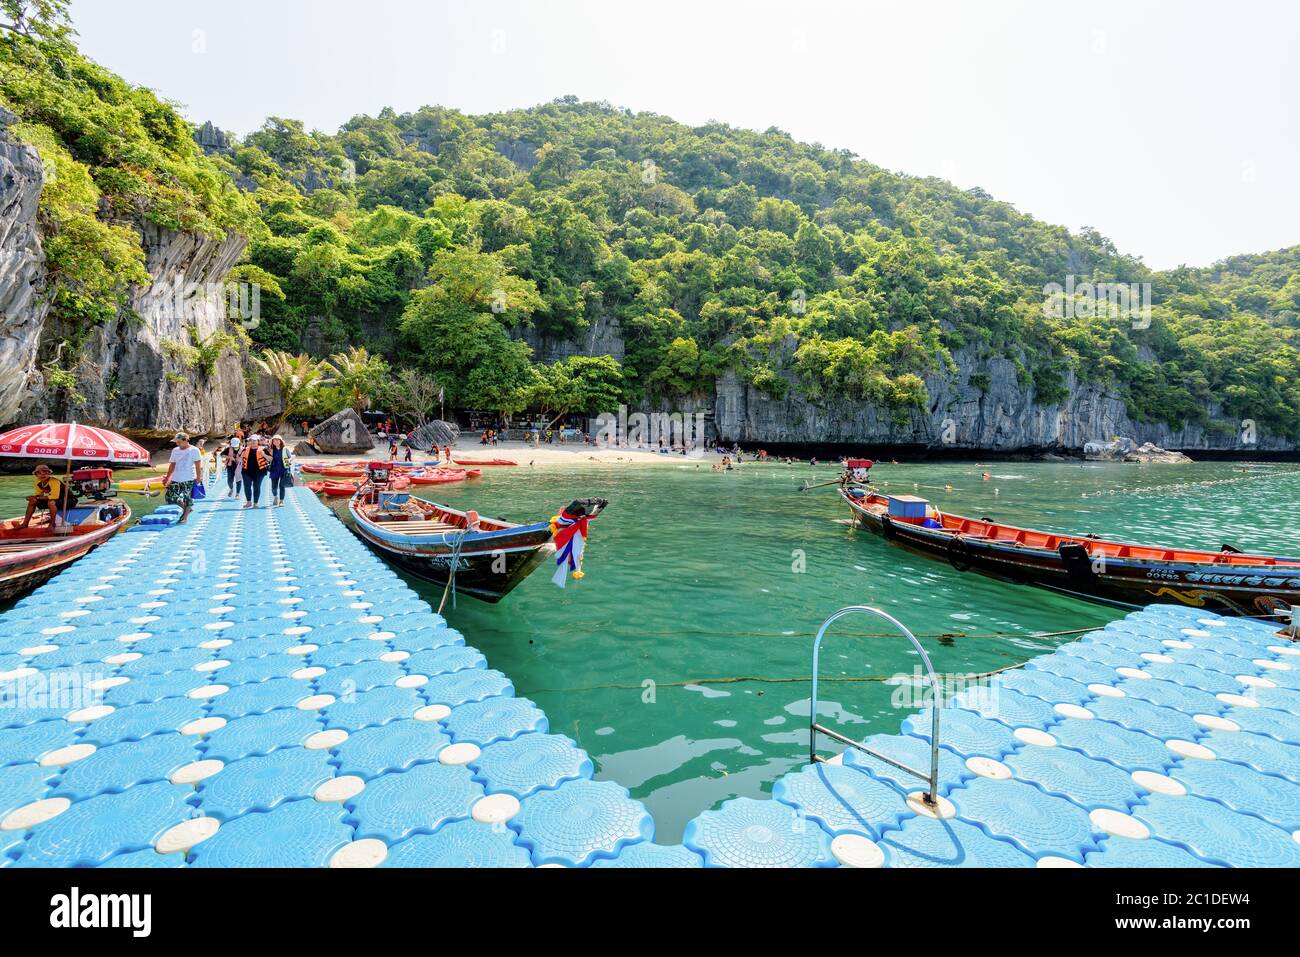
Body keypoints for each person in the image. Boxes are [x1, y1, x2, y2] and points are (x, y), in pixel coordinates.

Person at [163, 432, 202, 524]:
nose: (177, 443)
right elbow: (172, 464)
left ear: (185, 440)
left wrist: (199, 477)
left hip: (189, 478)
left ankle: (184, 517)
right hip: (176, 478)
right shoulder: (175, 450)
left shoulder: (194, 450)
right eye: (176, 442)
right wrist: (167, 477)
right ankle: (187, 508)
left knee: (187, 497)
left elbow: (198, 465)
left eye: (178, 441)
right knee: (170, 497)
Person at [19, 463, 63, 530]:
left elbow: (55, 496)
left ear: (49, 474)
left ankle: (52, 524)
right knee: (33, 501)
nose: (43, 475)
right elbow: (38, 494)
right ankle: (25, 524)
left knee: (51, 502)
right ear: (36, 475)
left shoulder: (54, 481)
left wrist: (37, 497)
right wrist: (33, 497)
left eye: (45, 472)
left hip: (67, 500)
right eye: (39, 473)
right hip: (54, 500)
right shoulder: (37, 481)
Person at [240, 435, 269, 509]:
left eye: (255, 440)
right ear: (249, 441)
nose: (253, 442)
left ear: (258, 441)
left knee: (256, 487)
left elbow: (271, 459)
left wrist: (264, 455)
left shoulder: (263, 449)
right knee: (247, 486)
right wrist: (240, 456)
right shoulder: (245, 449)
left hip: (259, 472)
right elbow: (238, 459)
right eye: (251, 440)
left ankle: (255, 503)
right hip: (246, 471)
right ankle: (248, 502)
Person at [267, 435, 294, 507]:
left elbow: (291, 457)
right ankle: (275, 497)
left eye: (277, 440)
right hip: (274, 470)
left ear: (281, 441)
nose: (275, 441)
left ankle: (281, 501)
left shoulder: (285, 449)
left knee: (282, 486)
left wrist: (289, 460)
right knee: (274, 487)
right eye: (274, 440)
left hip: (283, 470)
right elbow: (269, 457)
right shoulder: (271, 449)